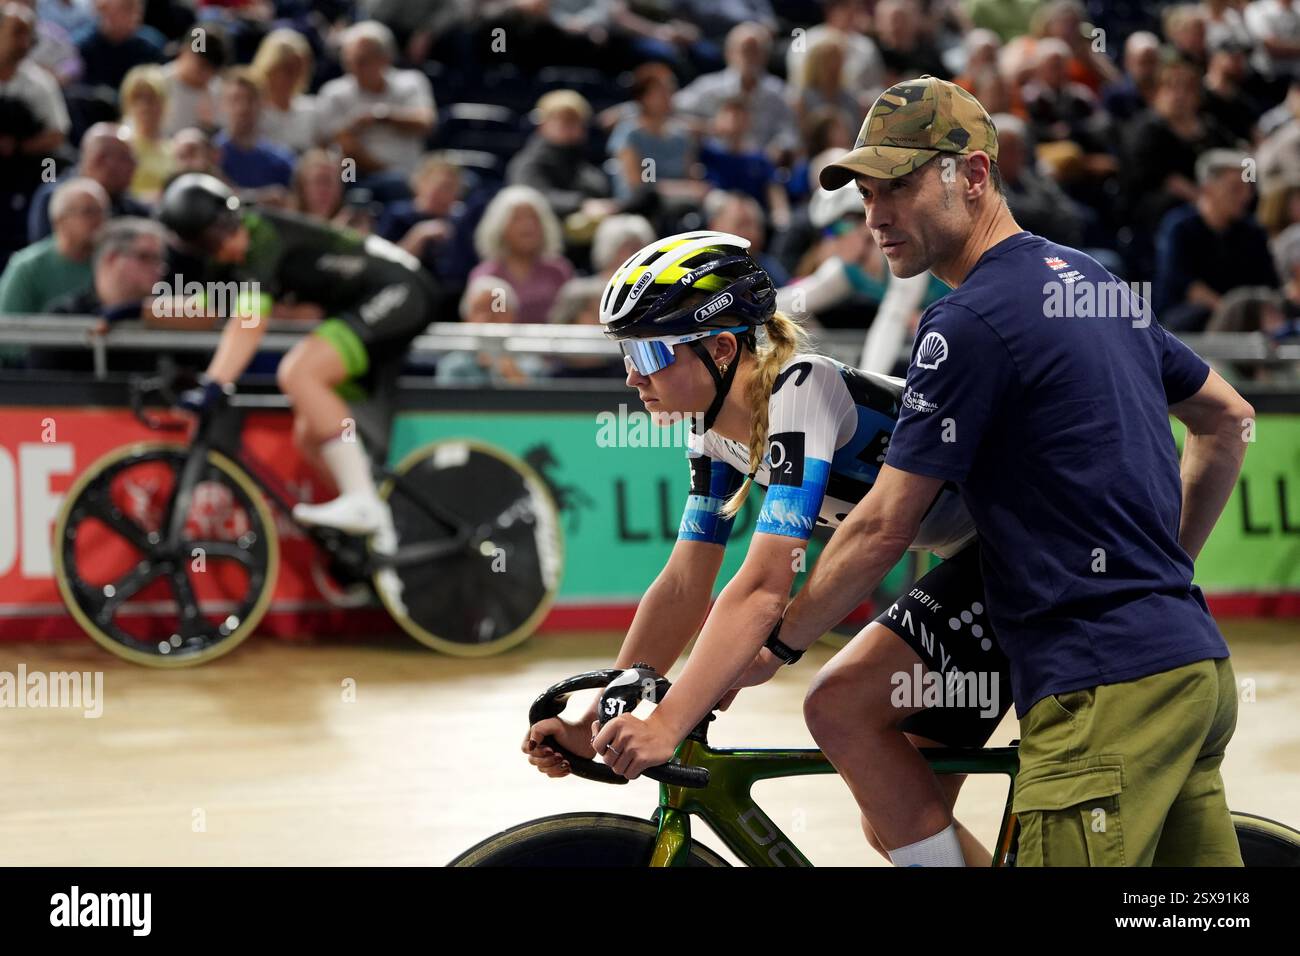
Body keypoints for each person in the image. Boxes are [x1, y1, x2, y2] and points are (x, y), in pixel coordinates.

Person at [720, 75, 1251, 866]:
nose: (875, 215)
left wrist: (779, 645)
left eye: (896, 186)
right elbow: (1230, 419)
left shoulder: (967, 320)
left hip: (1097, 691)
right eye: (866, 195)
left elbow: (884, 526)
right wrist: (1164, 569)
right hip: (1189, 671)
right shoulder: (1092, 281)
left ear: (971, 175)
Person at [523, 230, 1011, 867]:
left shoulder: (799, 387)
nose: (632, 375)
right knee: (900, 814)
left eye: (647, 351)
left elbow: (762, 588)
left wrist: (668, 724)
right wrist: (604, 709)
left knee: (839, 708)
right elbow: (683, 585)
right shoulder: (710, 431)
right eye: (626, 353)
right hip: (975, 556)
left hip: (1020, 547)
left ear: (722, 348)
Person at [156, 173, 443, 611]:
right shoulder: (233, 256)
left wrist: (215, 384)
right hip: (369, 299)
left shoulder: (260, 235)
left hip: (400, 289)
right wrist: (129, 311)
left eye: (227, 232)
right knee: (309, 435)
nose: (228, 245)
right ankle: (376, 528)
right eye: (213, 244)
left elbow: (249, 322)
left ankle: (363, 503)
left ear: (235, 216)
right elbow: (213, 308)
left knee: (299, 373)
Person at [0, 176, 105, 314]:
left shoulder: (110, 264)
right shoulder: (28, 268)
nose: (99, 220)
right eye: (88, 212)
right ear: (60, 220)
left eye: (102, 212)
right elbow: (9, 325)